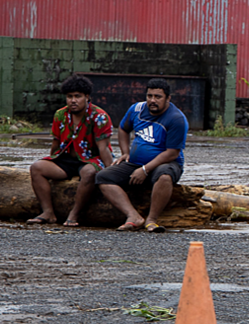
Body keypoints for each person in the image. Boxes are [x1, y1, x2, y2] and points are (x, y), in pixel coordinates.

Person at [95, 78, 188, 233]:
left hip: (166, 163)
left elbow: (172, 152)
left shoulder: (176, 119)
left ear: (168, 99)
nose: (152, 100)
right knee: (103, 176)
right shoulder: (137, 109)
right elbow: (124, 129)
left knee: (164, 176)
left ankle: (152, 220)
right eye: (149, 96)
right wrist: (125, 152)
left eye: (158, 97)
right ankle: (133, 216)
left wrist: (145, 169)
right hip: (135, 162)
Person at [27, 74, 113, 226]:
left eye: (77, 96)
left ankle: (74, 214)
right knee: (37, 168)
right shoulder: (61, 114)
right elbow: (56, 142)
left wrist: (111, 172)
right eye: (69, 96)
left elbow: (103, 148)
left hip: (91, 159)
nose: (73, 101)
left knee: (88, 172)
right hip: (66, 159)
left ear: (87, 97)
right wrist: (51, 159)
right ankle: (48, 212)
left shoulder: (100, 117)